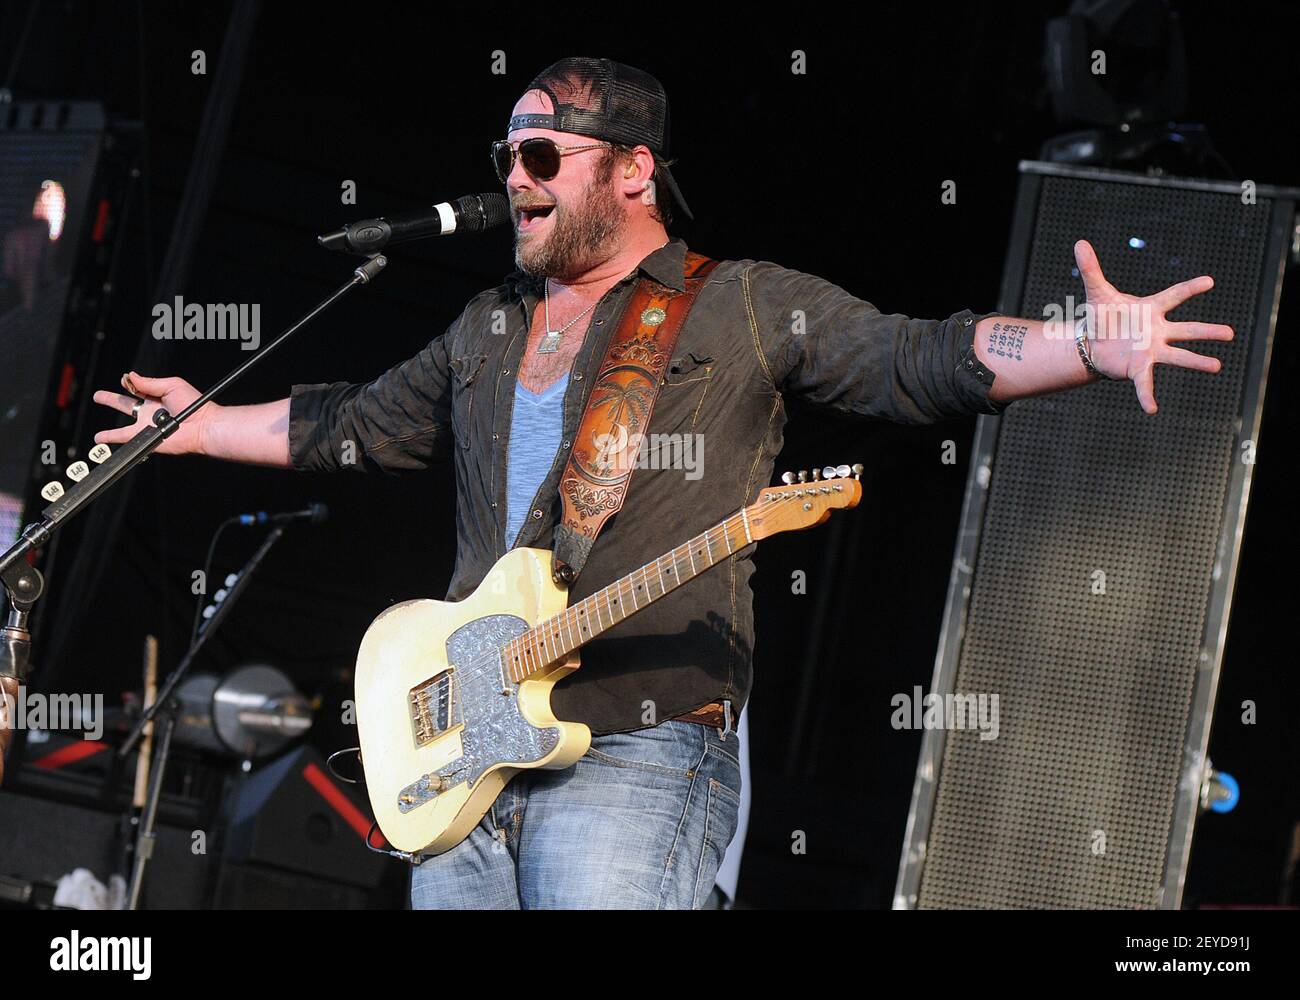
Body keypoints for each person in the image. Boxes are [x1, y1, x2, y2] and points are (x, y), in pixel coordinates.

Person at [91, 57, 1232, 909]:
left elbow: (914, 357)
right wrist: (193, 427)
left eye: (544, 155)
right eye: (507, 157)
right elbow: (352, 423)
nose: (515, 178)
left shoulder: (733, 301)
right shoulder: (486, 326)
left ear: (634, 169)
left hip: (638, 734)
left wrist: (1085, 342)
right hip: (466, 755)